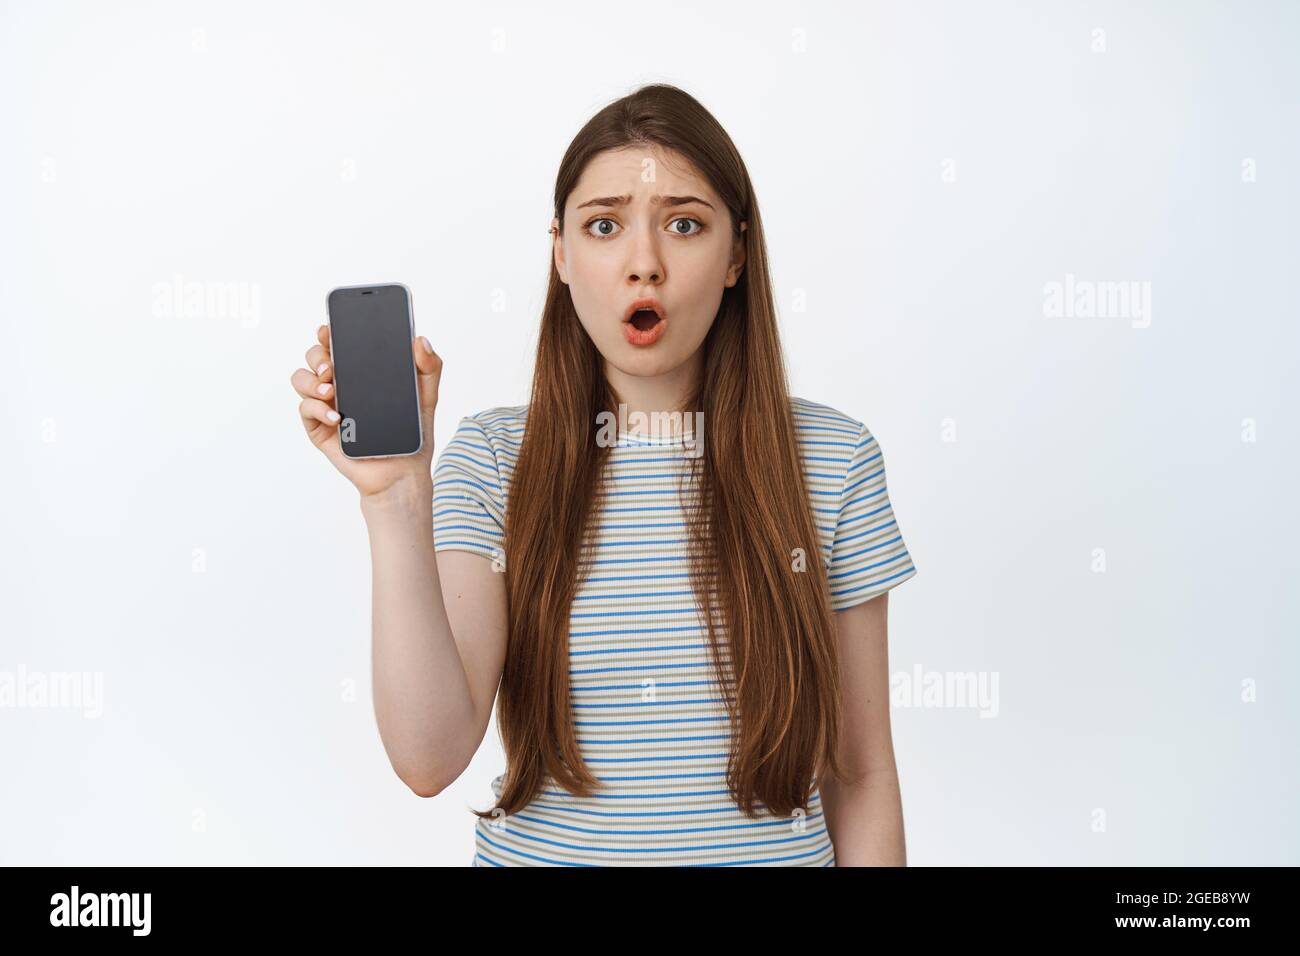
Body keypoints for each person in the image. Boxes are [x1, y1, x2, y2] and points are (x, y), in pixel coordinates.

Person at [290, 83, 918, 866]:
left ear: (737, 255)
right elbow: (428, 757)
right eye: (604, 226)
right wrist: (395, 499)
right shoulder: (493, 460)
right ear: (561, 254)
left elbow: (860, 774)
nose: (643, 265)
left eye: (684, 225)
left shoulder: (833, 459)